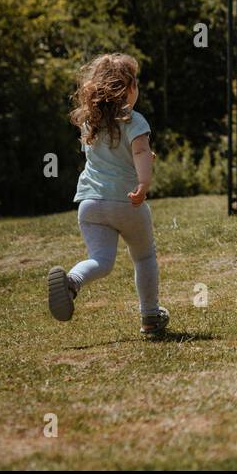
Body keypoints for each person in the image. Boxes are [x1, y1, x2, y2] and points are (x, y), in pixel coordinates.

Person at [48, 52, 169, 334]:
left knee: (100, 260)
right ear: (128, 89)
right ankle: (150, 316)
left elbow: (106, 157)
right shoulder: (134, 120)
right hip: (126, 203)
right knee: (144, 257)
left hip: (90, 204)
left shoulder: (90, 122)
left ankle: (72, 281)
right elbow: (138, 151)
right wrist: (143, 184)